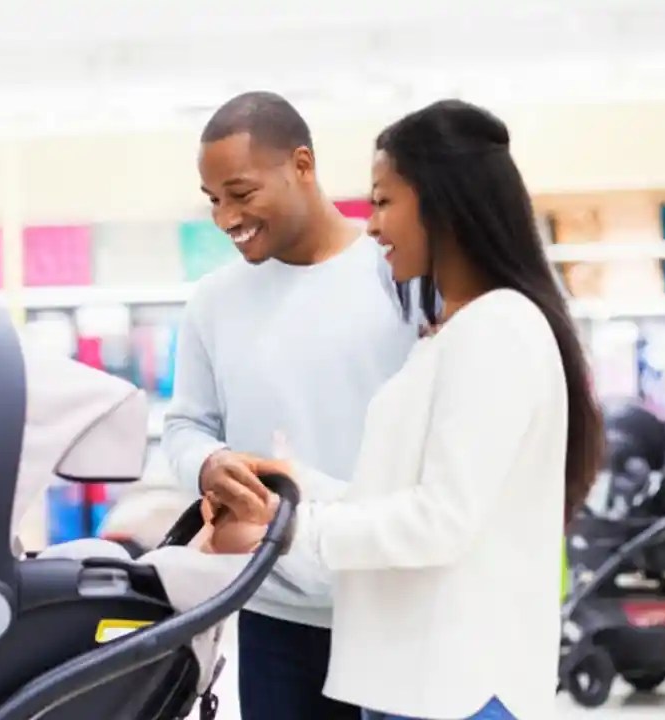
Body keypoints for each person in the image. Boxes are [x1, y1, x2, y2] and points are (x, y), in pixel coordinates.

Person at [212, 99, 605, 719]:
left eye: (384, 201)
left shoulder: (497, 330)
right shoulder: (452, 334)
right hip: (420, 683)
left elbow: (438, 520)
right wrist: (294, 487)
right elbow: (402, 494)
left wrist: (286, 532)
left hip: (460, 689)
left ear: (442, 203)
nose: (371, 225)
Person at [162, 91, 418, 719]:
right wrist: (207, 462)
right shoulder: (213, 302)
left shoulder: (398, 279)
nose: (225, 217)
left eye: (241, 194)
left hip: (387, 605)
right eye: (213, 199)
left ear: (302, 165)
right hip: (270, 608)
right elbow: (186, 424)